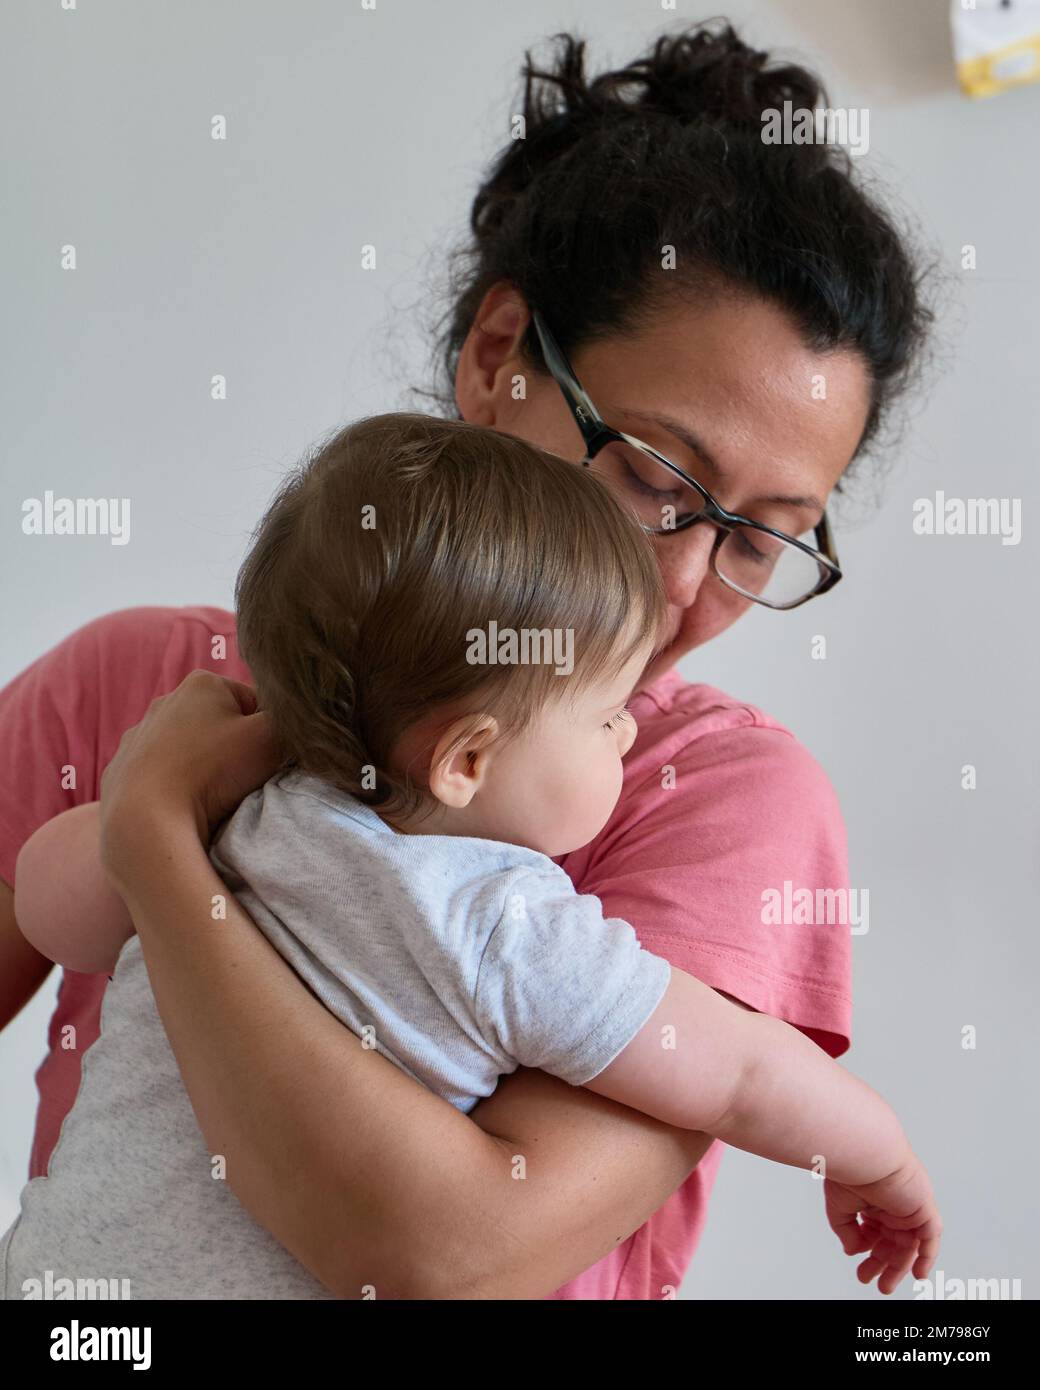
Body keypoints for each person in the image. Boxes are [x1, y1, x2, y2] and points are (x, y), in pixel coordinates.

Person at [0, 23, 934, 1299]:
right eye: (658, 476)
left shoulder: (723, 806)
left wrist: (158, 835)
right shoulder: (142, 680)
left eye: (760, 544)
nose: (677, 587)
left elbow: (437, 1256)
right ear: (500, 357)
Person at [3, 414, 940, 1300]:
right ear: (468, 761)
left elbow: (54, 906)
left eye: (758, 539)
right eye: (607, 714)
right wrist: (883, 1157)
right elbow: (742, 1076)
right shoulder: (507, 922)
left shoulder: (235, 818)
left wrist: (150, 815)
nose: (626, 731)